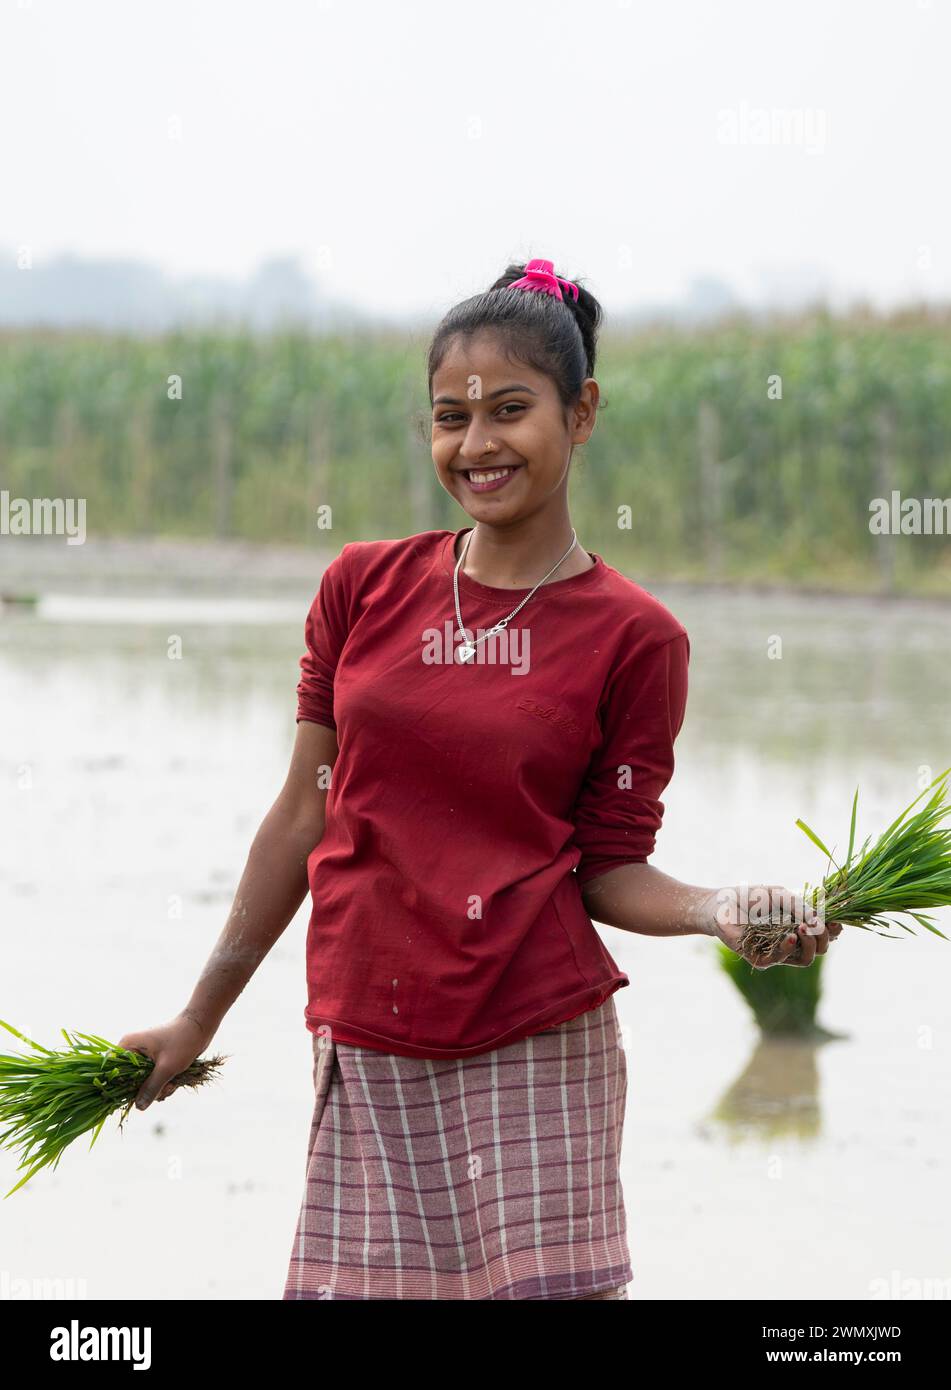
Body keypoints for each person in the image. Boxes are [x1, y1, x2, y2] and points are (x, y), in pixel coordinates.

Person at [119, 257, 841, 1300]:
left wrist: (720, 908)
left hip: (533, 1041)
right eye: (449, 417)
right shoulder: (361, 588)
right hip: (367, 1031)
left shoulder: (636, 637)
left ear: (581, 411)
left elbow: (608, 866)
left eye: (511, 410)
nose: (476, 444)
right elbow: (297, 822)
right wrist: (199, 1018)